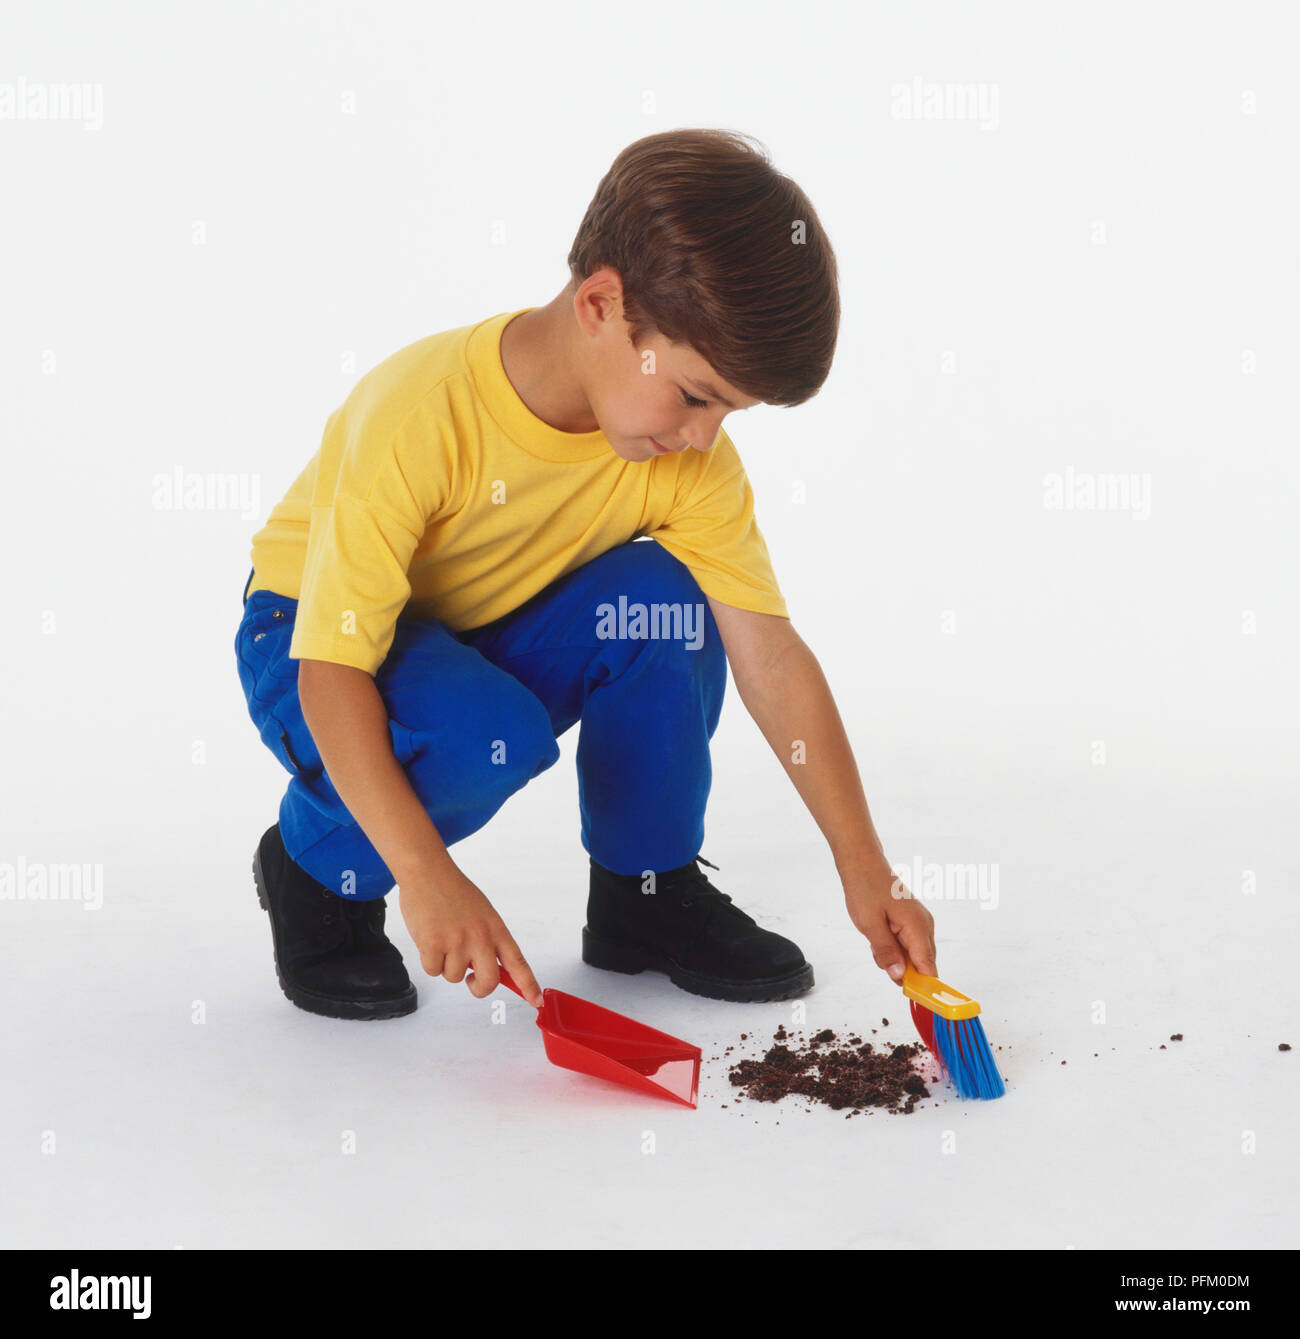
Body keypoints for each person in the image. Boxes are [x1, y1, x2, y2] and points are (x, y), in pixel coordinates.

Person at [234, 127, 937, 1021]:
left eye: (729, 413)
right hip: (309, 640)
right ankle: (314, 868)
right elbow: (333, 670)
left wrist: (864, 864)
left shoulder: (687, 463)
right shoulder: (417, 413)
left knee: (671, 605)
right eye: (694, 395)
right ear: (602, 305)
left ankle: (644, 896)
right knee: (484, 725)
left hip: (484, 633)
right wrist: (428, 873)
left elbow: (769, 658)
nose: (701, 437)